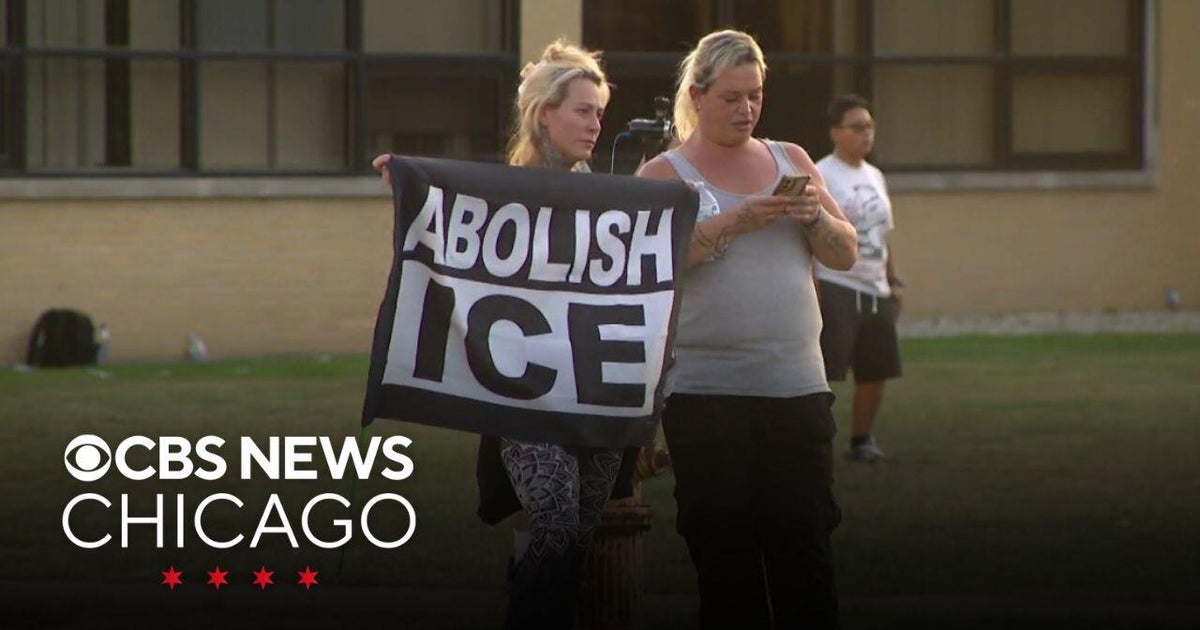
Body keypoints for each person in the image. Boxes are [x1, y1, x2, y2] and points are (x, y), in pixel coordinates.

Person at [373, 40, 633, 629]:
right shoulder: (499, 194)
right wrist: (410, 181)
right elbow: (446, 223)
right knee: (555, 528)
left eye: (599, 112)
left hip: (593, 391)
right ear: (545, 114)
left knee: (577, 540)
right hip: (524, 395)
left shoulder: (609, 201)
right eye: (583, 111)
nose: (595, 124)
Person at [637, 29, 857, 628]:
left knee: (805, 551)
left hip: (795, 388)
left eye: (755, 95)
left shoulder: (791, 159)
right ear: (697, 95)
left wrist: (813, 217)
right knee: (725, 559)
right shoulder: (663, 174)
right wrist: (732, 223)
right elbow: (644, 267)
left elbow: (845, 253)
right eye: (732, 97)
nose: (746, 109)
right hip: (707, 394)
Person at [815, 94, 903, 463]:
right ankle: (812, 443)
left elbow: (882, 234)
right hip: (837, 283)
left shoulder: (874, 175)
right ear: (835, 132)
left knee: (875, 370)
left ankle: (861, 441)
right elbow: (810, 233)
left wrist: (893, 280)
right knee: (824, 370)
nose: (866, 134)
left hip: (875, 287)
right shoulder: (822, 173)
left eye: (869, 127)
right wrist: (814, 288)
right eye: (857, 127)